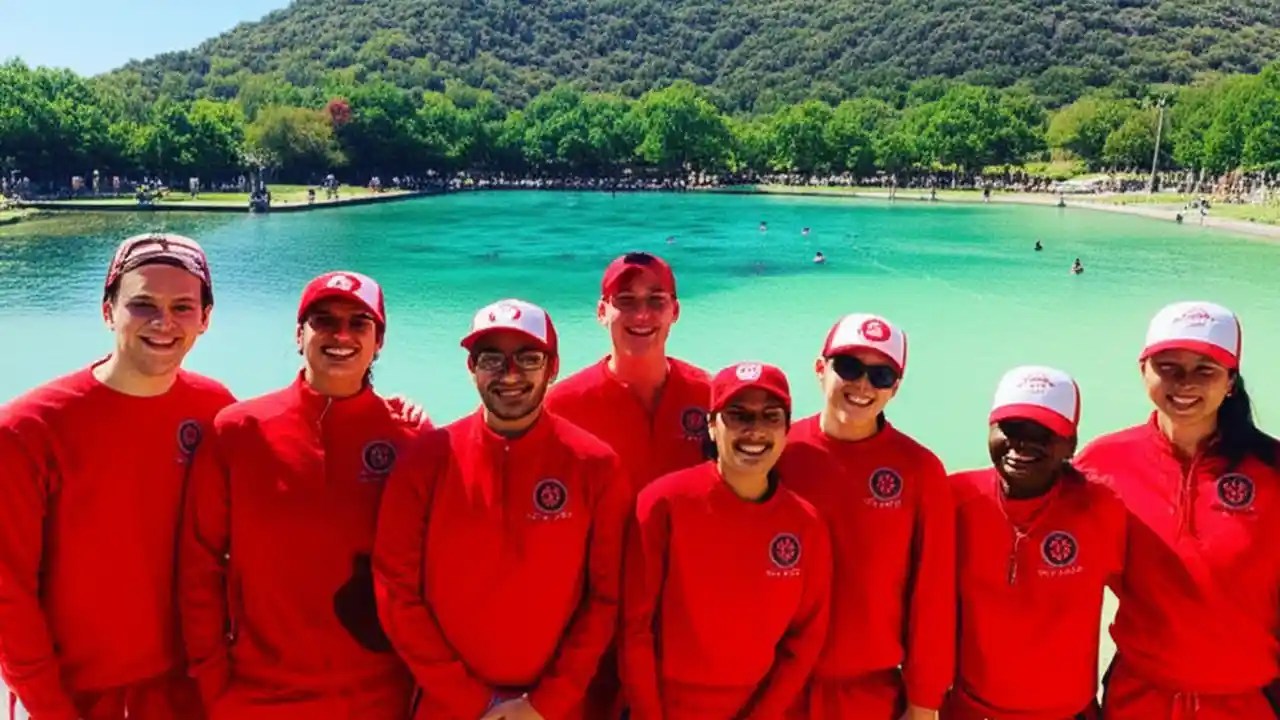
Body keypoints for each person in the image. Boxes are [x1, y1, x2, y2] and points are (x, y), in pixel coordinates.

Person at [0, 234, 234, 720]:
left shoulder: (215, 408)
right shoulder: (27, 429)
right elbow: (7, 594)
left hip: (186, 694)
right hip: (75, 698)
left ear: (205, 319)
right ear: (108, 310)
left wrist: (390, 417)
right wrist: (52, 709)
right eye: (142, 304)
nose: (163, 322)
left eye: (182, 307)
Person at [180, 271, 426, 719]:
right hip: (258, 696)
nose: (341, 335)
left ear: (380, 341)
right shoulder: (238, 430)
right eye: (324, 320)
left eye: (359, 322)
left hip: (382, 698)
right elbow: (200, 564)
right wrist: (214, 683)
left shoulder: (412, 440)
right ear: (299, 335)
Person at [373, 298, 630, 720]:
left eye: (528, 358)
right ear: (471, 367)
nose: (510, 374)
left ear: (553, 366)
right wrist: (472, 700)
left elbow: (605, 598)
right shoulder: (427, 460)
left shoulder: (595, 465)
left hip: (555, 710)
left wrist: (548, 700)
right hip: (447, 706)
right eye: (492, 359)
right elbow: (396, 591)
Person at [1075, 301, 1280, 719]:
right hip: (1138, 700)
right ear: (1143, 370)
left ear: (1231, 383)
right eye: (1168, 367)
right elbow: (1067, 591)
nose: (1185, 383)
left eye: (1205, 370)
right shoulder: (1101, 464)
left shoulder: (1272, 470)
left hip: (1250, 702)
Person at [544, 252, 711, 717]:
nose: (641, 315)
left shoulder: (711, 398)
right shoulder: (562, 404)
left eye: (656, 300)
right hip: (590, 623)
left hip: (683, 622)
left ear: (675, 311)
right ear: (602, 312)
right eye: (626, 301)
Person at [621, 362, 832, 720]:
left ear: (786, 428)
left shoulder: (806, 524)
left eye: (770, 416)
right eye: (738, 415)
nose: (755, 431)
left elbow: (805, 641)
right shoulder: (663, 504)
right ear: (711, 426)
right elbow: (634, 628)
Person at [778, 313, 954, 720]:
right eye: (850, 367)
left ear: (896, 388)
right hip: (776, 688)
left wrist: (924, 701)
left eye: (881, 375)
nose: (862, 385)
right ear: (820, 370)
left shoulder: (920, 469)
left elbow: (932, 594)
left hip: (871, 694)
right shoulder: (777, 452)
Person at [945, 366, 1124, 720]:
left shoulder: (1103, 509)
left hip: (1069, 713)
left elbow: (1152, 606)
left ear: (1071, 443)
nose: (1022, 444)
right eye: (1010, 429)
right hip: (970, 711)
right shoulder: (954, 499)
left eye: (1043, 433)